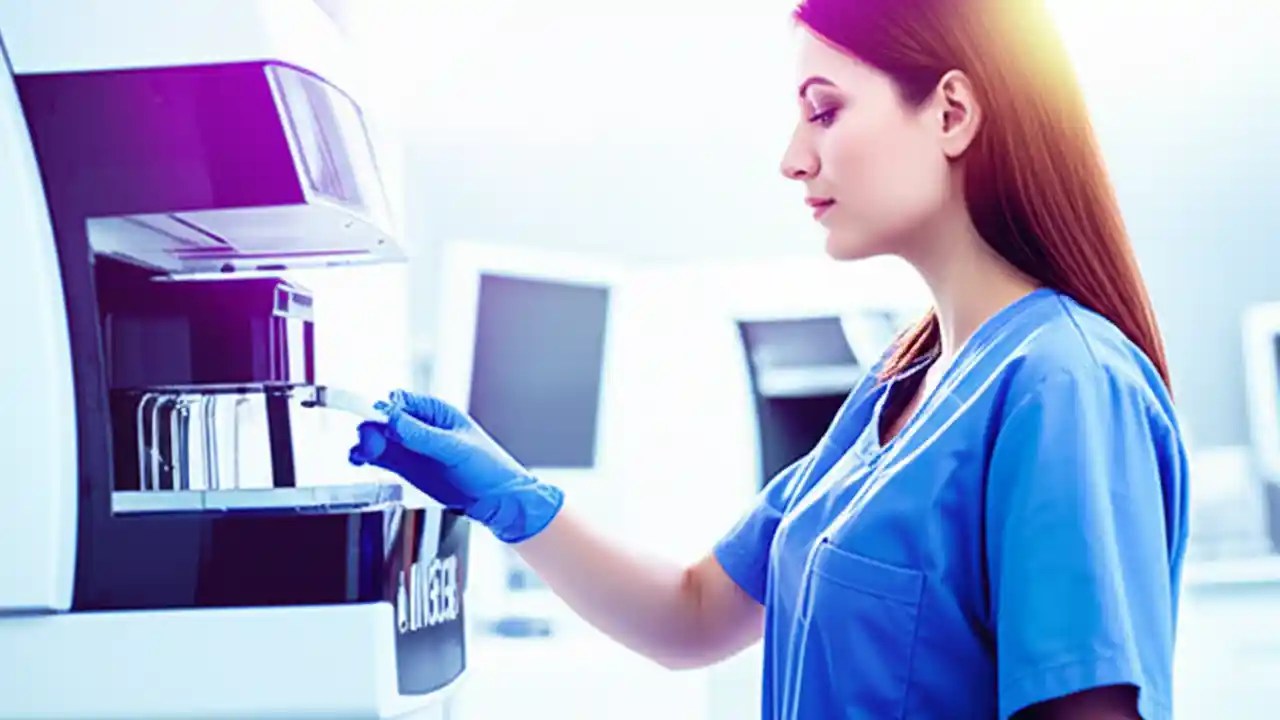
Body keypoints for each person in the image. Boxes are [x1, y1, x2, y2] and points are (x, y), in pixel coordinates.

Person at [349, 0, 1188, 717]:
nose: (794, 157)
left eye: (824, 111)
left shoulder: (1063, 387)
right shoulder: (895, 392)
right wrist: (508, 496)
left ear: (952, 113)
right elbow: (693, 614)